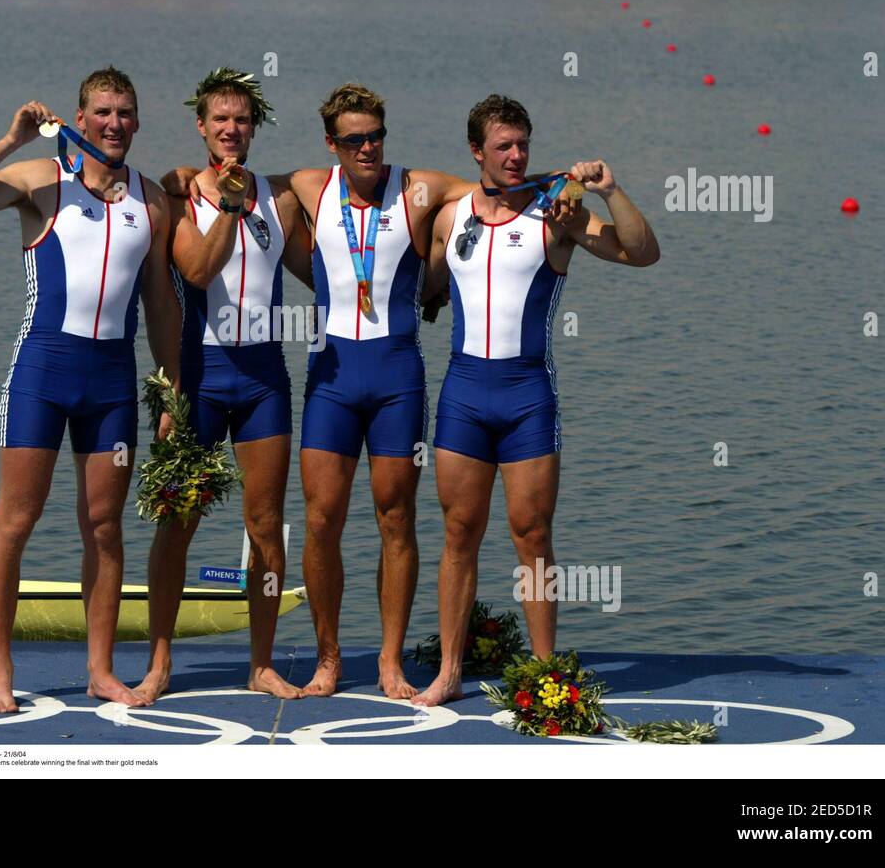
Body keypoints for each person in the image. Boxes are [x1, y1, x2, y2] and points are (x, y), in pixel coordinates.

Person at [0, 66, 182, 712]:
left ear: (137, 122)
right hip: (43, 373)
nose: (114, 123)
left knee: (104, 526)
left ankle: (100, 670)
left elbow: (160, 305)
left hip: (113, 385)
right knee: (16, 519)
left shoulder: (150, 201)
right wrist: (11, 139)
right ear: (79, 117)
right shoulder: (45, 181)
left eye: (125, 113)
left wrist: (173, 386)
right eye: (102, 112)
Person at [412, 94, 659, 707]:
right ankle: (448, 671)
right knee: (459, 532)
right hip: (463, 395)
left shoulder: (557, 217)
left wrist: (610, 190)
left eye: (523, 144)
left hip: (527, 397)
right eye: (504, 146)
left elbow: (642, 252)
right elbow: (431, 284)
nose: (517, 155)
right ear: (478, 152)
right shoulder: (451, 218)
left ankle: (545, 676)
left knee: (533, 535)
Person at [275, 84, 476, 699]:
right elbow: (238, 184)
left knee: (396, 518)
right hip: (332, 379)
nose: (368, 147)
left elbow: (498, 186)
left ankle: (390, 661)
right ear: (332, 143)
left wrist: (566, 183)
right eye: (355, 139)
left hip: (396, 380)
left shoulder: (420, 188)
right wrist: (177, 181)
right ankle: (328, 659)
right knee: (320, 520)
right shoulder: (310, 186)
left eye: (376, 136)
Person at [137, 69, 315, 703]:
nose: (232, 129)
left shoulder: (280, 197)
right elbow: (197, 268)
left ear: (253, 127)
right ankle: (159, 663)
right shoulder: (181, 195)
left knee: (266, 525)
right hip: (201, 379)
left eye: (242, 120)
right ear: (202, 127)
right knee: (176, 522)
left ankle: (261, 662)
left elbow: (322, 275)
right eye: (221, 120)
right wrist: (228, 206)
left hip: (264, 378)